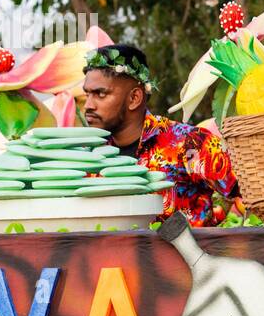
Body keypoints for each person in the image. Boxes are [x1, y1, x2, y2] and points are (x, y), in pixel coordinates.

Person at [82, 44, 239, 226]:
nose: (88, 105)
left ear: (134, 98)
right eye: (87, 94)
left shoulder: (189, 143)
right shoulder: (90, 157)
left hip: (187, 254)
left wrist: (215, 229)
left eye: (100, 94)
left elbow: (251, 194)